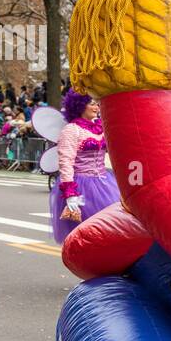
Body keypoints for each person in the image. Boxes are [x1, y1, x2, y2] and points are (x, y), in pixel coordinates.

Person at [49, 90, 120, 244]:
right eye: (91, 103)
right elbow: (66, 162)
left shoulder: (101, 128)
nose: (96, 107)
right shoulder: (71, 130)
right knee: (90, 233)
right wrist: (70, 194)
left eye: (97, 103)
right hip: (81, 186)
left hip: (104, 182)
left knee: (112, 226)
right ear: (80, 106)